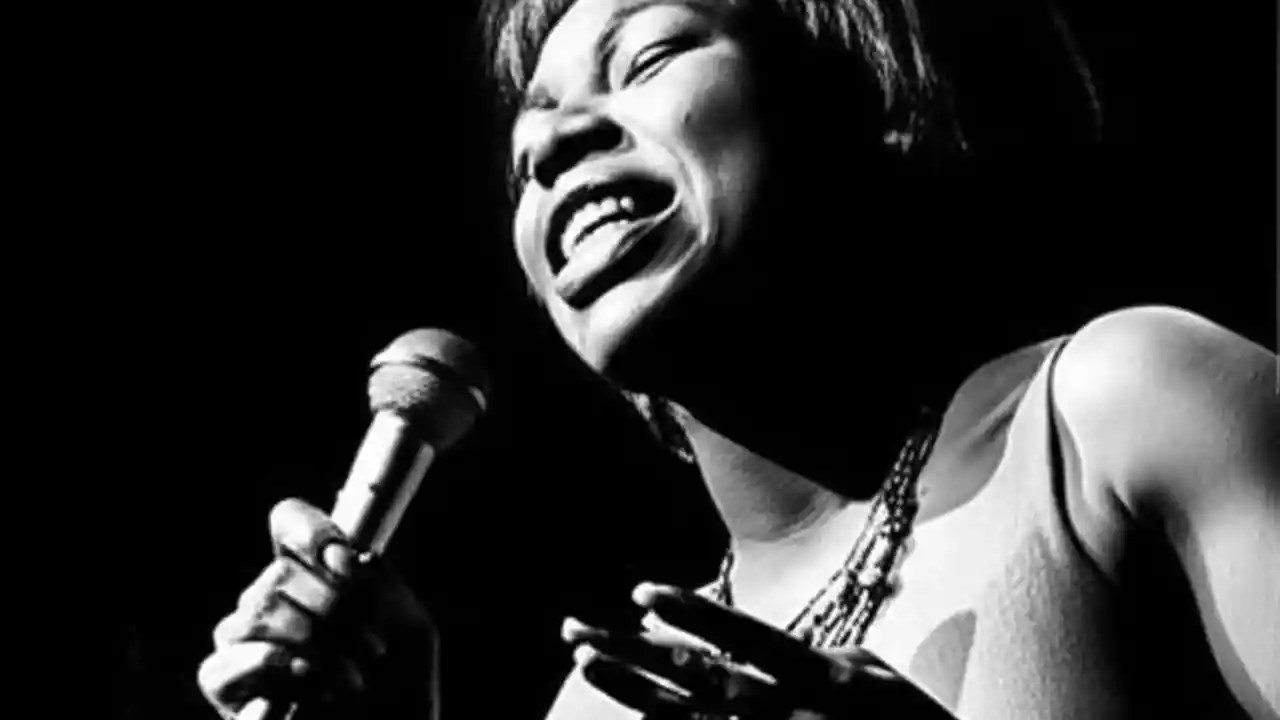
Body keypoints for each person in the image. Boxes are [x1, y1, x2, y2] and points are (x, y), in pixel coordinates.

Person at [198, 0, 1279, 718]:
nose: (548, 142)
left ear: (875, 96)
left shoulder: (1123, 410)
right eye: (531, 130)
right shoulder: (603, 701)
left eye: (649, 57)